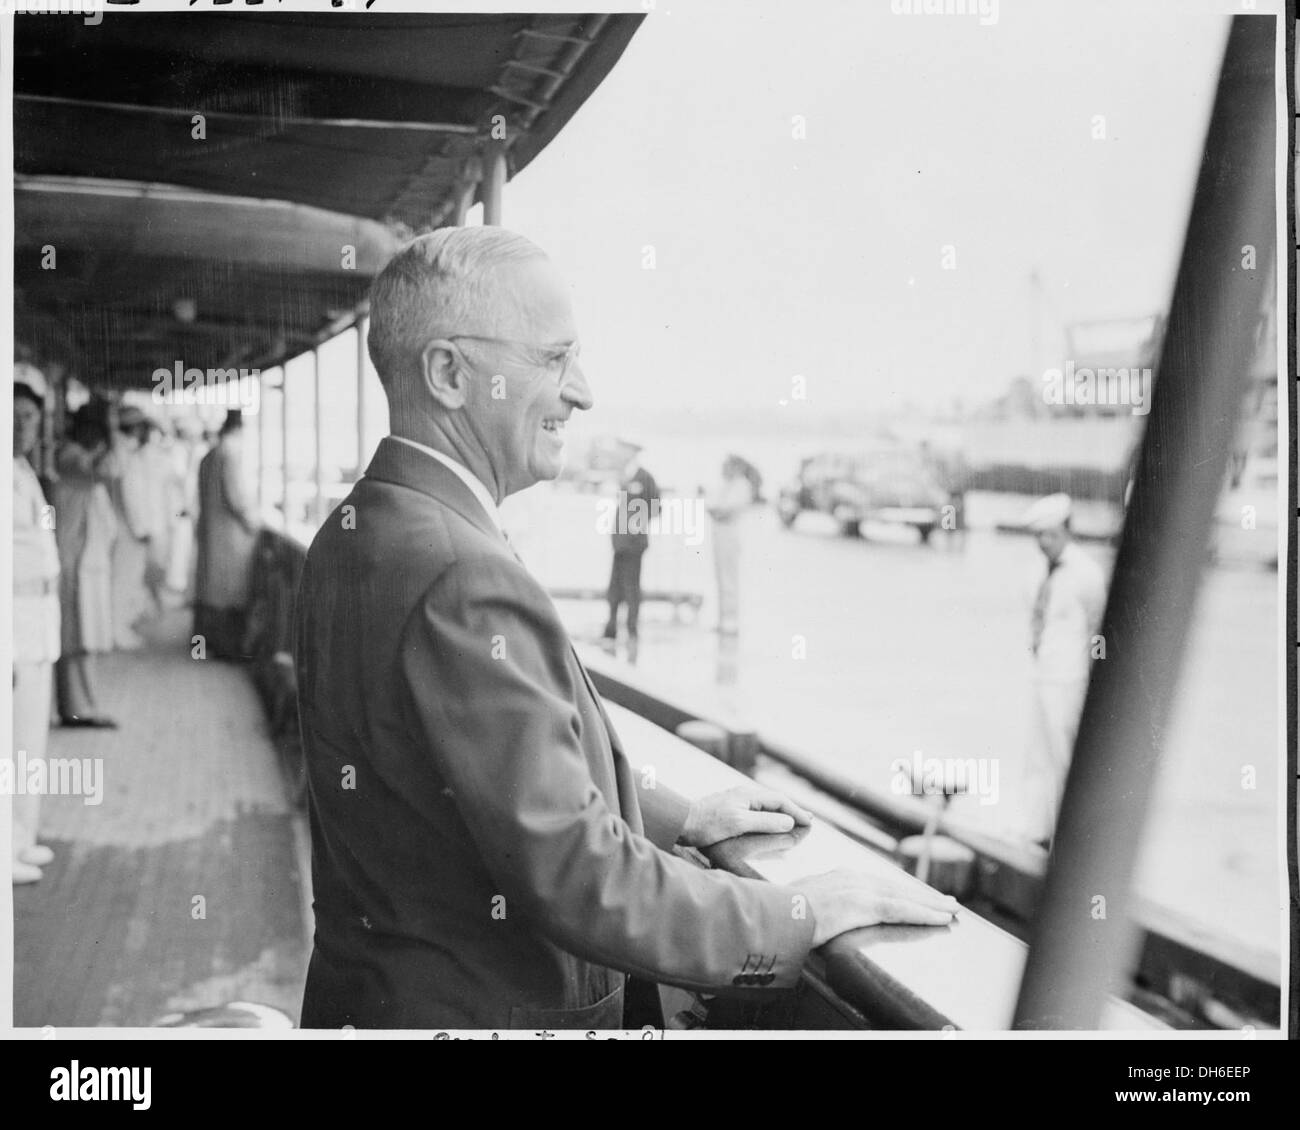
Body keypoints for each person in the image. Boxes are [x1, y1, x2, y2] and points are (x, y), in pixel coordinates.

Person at [293, 227, 958, 1030]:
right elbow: (575, 873)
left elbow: (493, 768)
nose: (582, 392)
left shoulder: (357, 528)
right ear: (447, 373)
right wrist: (794, 918)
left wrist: (686, 820)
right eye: (554, 359)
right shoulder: (460, 572)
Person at [1021, 492, 1107, 848]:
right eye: (1039, 536)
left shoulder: (1087, 574)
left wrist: (1091, 676)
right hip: (1043, 673)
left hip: (1070, 678)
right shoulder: (1039, 571)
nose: (1044, 543)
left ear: (1067, 532)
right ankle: (1038, 832)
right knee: (1037, 756)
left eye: (1051, 535)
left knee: (1064, 758)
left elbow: (1099, 626)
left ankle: (1073, 838)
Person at [12, 367, 62, 883]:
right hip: (14, 623)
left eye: (30, 417)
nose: (23, 425)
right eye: (16, 415)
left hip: (38, 620)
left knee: (29, 742)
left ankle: (22, 839)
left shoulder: (24, 470)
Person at [53, 401, 120, 729]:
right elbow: (109, 470)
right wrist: (113, 437)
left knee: (82, 639)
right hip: (71, 560)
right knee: (75, 638)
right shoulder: (71, 456)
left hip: (80, 560)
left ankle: (81, 706)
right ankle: (76, 710)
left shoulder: (76, 456)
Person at [194, 410, 259, 659]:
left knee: (209, 592)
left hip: (210, 531)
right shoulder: (230, 454)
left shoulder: (208, 455)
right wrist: (251, 521)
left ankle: (204, 644)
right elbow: (236, 497)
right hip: (229, 536)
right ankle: (226, 649)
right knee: (228, 596)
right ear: (240, 429)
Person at [602, 443, 658, 656]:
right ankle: (611, 629)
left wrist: (636, 527)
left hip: (634, 543)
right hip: (619, 542)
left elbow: (656, 507)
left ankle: (632, 631)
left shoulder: (645, 478)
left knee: (631, 587)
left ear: (634, 453)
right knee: (615, 587)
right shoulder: (623, 478)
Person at [108, 404, 154, 649]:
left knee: (126, 579)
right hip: (127, 530)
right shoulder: (124, 452)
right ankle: (118, 632)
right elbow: (130, 495)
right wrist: (141, 529)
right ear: (135, 427)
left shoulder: (127, 451)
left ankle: (120, 628)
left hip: (126, 528)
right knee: (123, 580)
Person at [707, 455, 754, 635]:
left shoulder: (741, 485)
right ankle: (722, 619)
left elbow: (728, 510)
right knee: (720, 577)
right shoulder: (726, 484)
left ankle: (730, 620)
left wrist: (717, 511)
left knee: (729, 578)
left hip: (730, 533)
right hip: (720, 532)